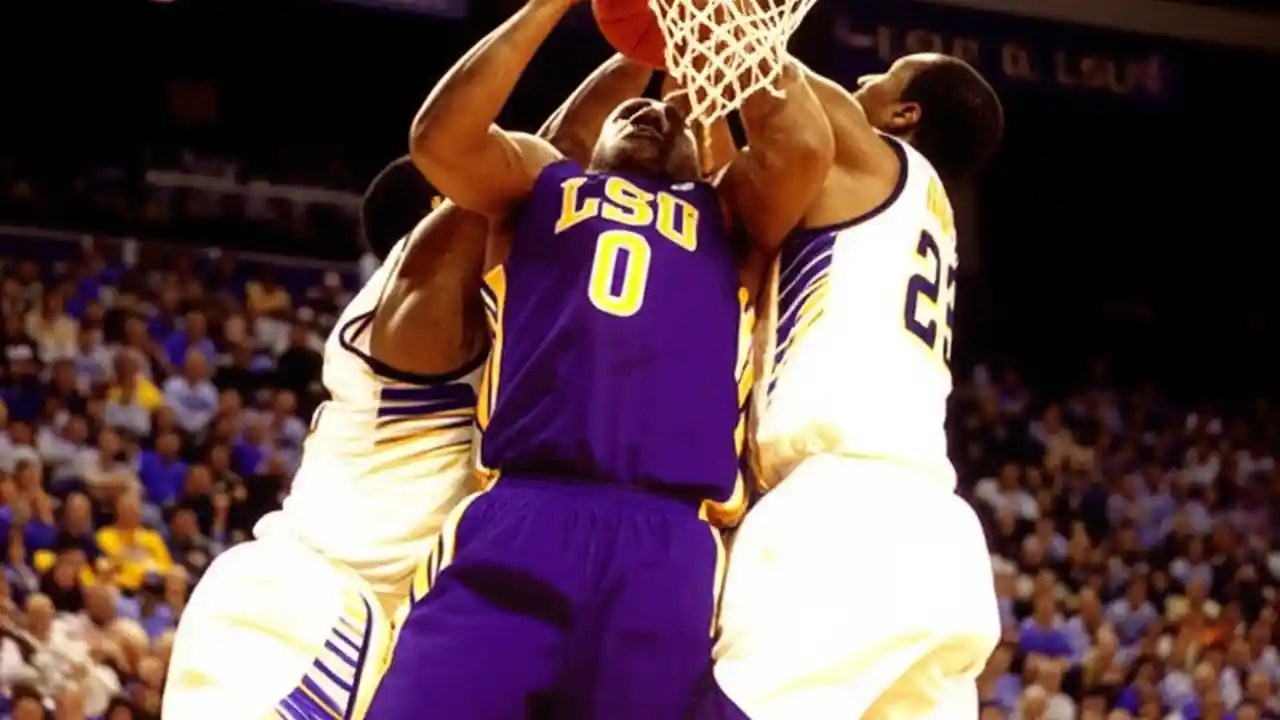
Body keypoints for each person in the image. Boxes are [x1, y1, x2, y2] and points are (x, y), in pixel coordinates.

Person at [366, 0, 831, 717]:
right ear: (591, 138)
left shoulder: (730, 214)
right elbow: (440, 141)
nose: (655, 115)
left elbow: (802, 146)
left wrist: (730, 29)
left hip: (667, 539)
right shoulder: (537, 186)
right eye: (630, 113)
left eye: (675, 116)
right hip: (524, 511)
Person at [160, 57, 651, 720]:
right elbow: (555, 156)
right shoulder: (418, 301)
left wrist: (650, 49)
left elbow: (562, 152)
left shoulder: (484, 310)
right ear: (440, 210)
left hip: (384, 616)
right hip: (309, 602)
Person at [704, 53, 1006, 719]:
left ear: (905, 113)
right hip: (937, 539)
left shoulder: (871, 157)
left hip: (843, 516)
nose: (861, 83)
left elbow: (748, 51)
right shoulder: (930, 218)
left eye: (883, 77)